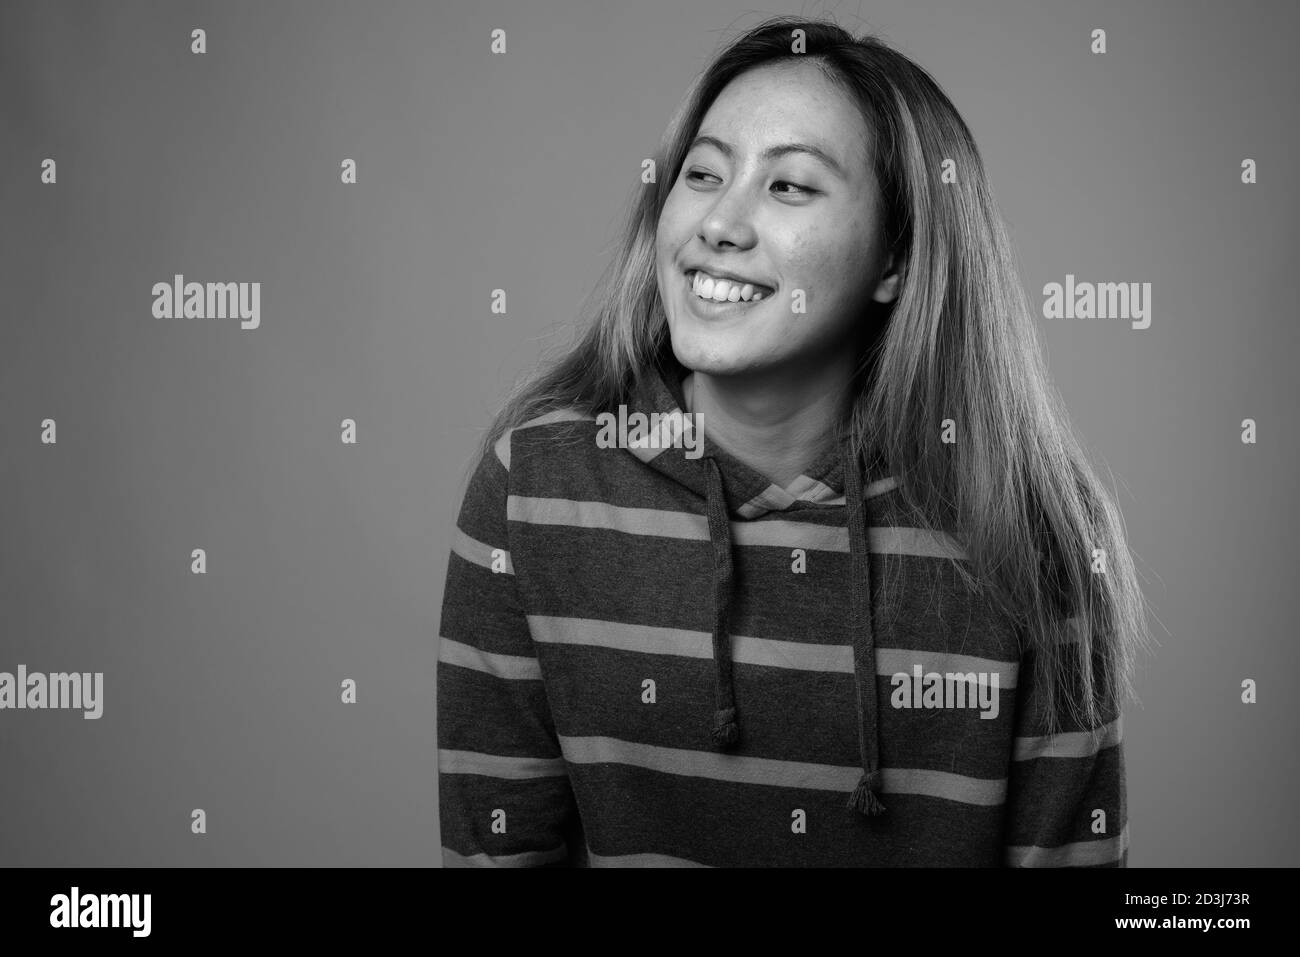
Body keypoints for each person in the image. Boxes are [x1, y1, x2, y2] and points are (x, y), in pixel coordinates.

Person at [436, 15, 1151, 867]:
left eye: (789, 187)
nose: (720, 224)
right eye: (702, 174)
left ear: (896, 258)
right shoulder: (534, 486)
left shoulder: (1031, 531)